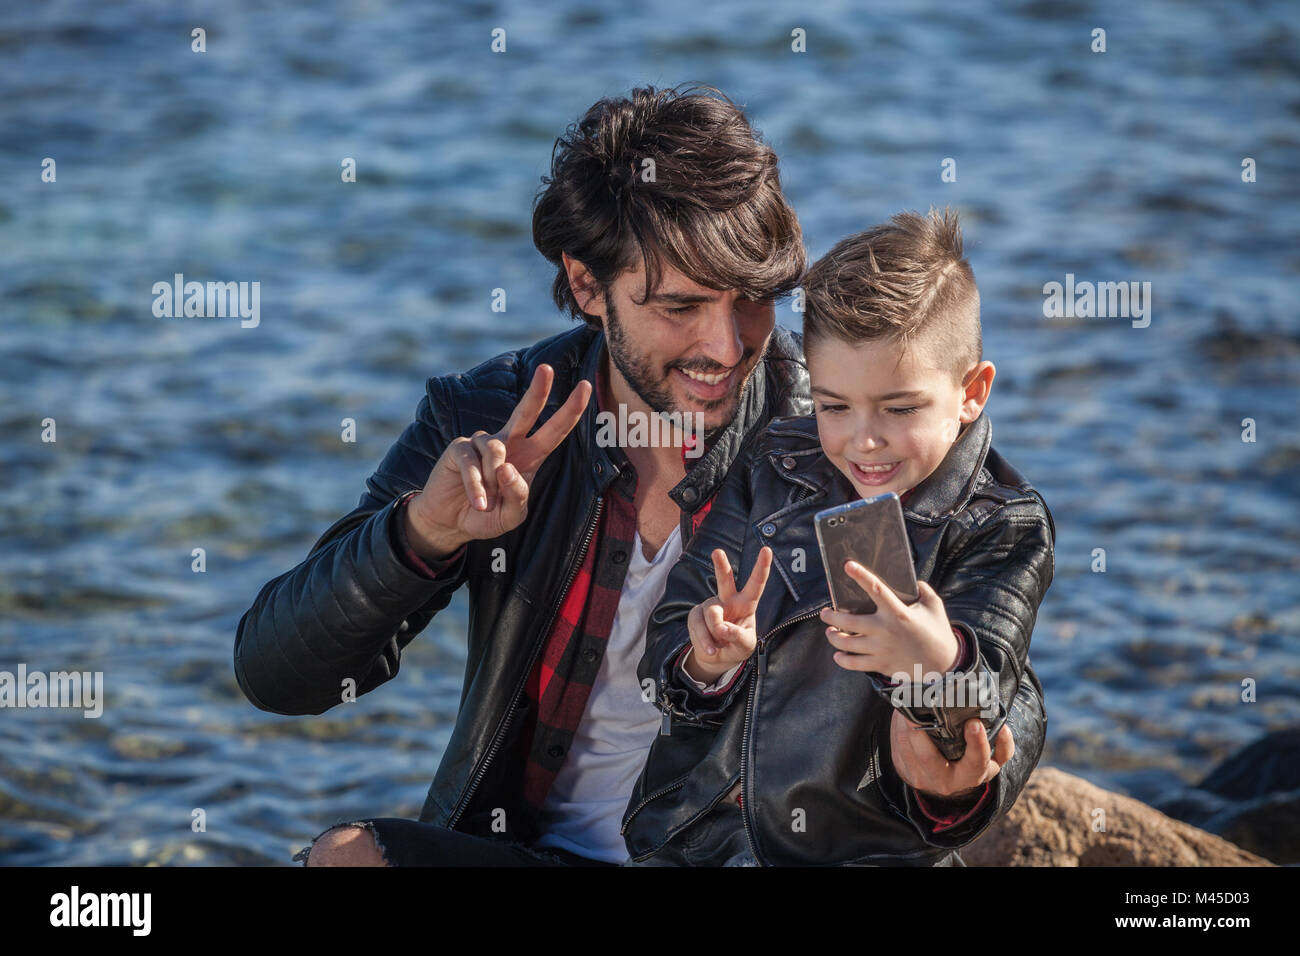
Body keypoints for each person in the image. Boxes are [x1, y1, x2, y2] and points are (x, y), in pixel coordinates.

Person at [233, 87, 1047, 866]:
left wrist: (961, 775)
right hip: (530, 851)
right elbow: (277, 675)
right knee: (345, 858)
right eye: (681, 307)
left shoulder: (831, 437)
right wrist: (423, 534)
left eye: (754, 299)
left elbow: (998, 668)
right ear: (588, 284)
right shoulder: (490, 416)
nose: (728, 348)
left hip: (747, 859)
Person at [625, 208, 1054, 865]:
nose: (864, 440)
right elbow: (669, 643)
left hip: (863, 852)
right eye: (834, 406)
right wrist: (706, 656)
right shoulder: (771, 465)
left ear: (972, 392)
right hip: (699, 839)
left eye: (900, 408)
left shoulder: (1002, 523)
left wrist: (936, 670)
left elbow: (988, 699)